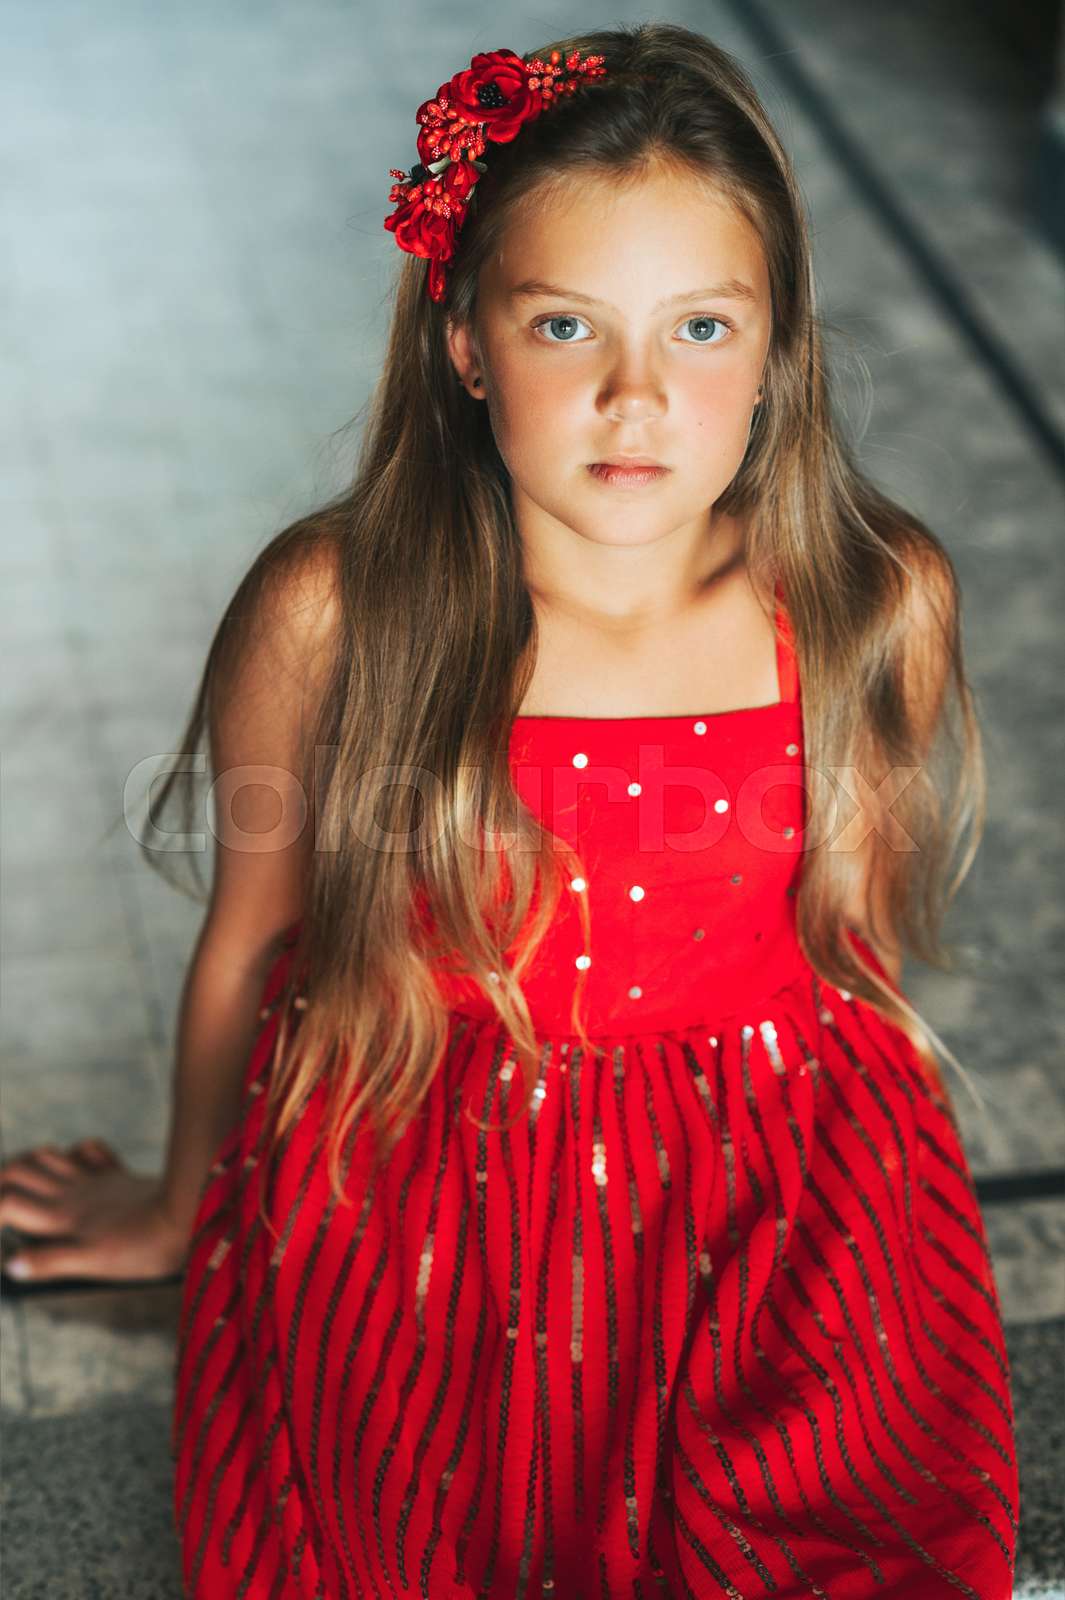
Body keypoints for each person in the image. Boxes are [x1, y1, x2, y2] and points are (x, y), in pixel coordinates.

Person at [0, 22, 1019, 1598]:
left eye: (698, 328)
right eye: (563, 325)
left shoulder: (868, 599)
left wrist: (854, 1236)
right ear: (466, 341)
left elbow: (850, 946)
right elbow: (253, 937)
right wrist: (179, 1203)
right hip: (419, 1176)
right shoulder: (336, 606)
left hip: (765, 1186)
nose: (634, 396)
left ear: (775, 348)